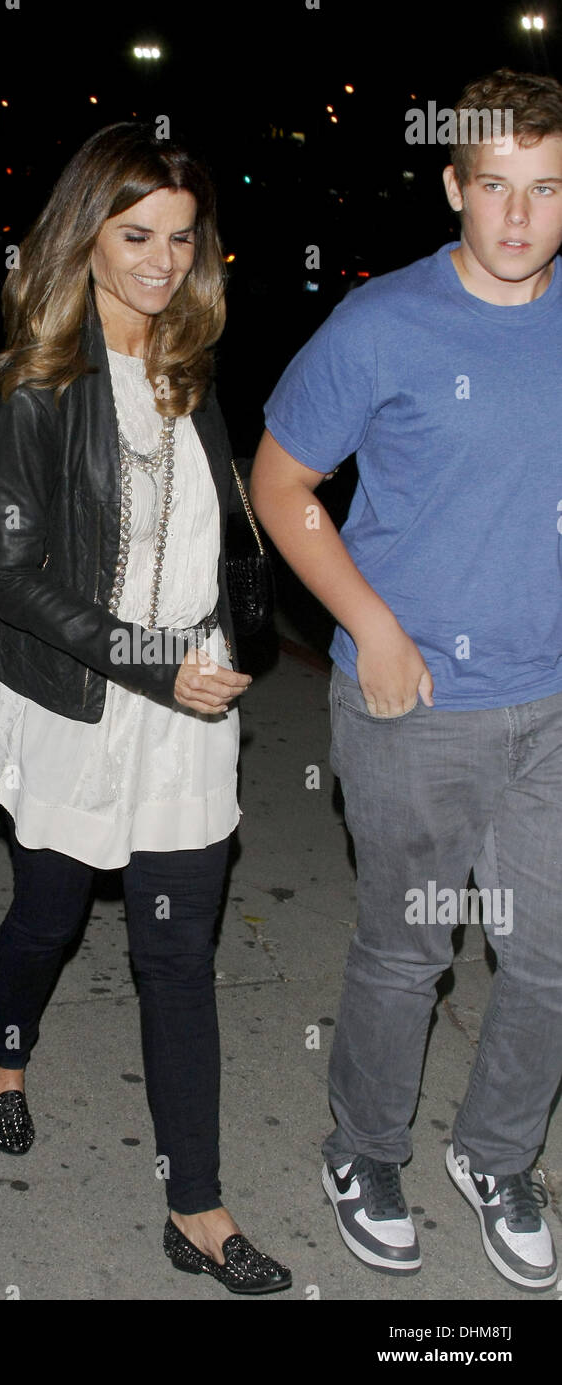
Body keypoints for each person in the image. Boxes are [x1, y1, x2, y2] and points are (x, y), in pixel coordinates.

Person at [0, 121, 291, 1295]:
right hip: (83, 702)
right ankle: (2, 1055)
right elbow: (10, 574)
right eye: (135, 233)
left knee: (174, 956)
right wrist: (151, 660)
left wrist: (234, 635)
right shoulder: (37, 383)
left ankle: (193, 1206)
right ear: (83, 233)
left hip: (187, 711)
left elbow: (210, 534)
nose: (159, 259)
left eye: (181, 239)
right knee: (44, 919)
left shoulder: (189, 371)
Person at [251, 68, 562, 1292]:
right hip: (413, 702)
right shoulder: (381, 324)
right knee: (409, 949)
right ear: (452, 186)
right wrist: (371, 629)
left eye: (544, 189)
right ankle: (364, 1150)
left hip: (550, 702)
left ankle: (494, 1154)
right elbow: (278, 484)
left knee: (543, 954)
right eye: (494, 187)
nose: (518, 215)